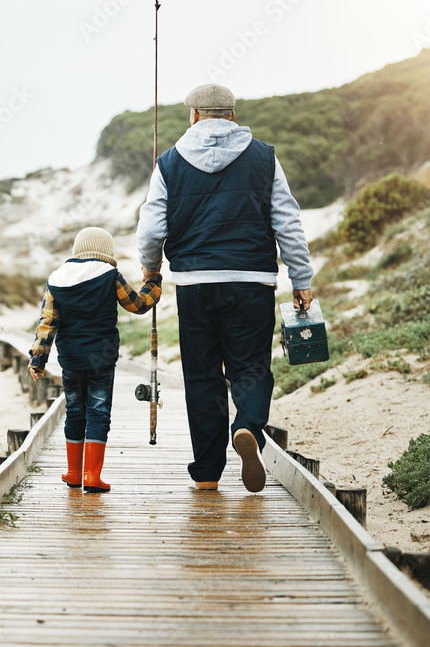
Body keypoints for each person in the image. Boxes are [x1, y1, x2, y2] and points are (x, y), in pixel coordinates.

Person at [136, 83, 314, 493]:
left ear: (194, 116)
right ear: (232, 115)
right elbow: (288, 222)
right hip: (252, 282)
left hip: (195, 286)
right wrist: (300, 279)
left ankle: (207, 474)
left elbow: (151, 230)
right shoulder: (264, 157)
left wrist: (151, 269)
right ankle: (247, 426)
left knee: (202, 377)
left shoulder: (169, 162)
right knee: (250, 367)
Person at [28, 226, 162, 492]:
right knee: (98, 414)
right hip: (101, 360)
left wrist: (37, 359)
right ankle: (92, 476)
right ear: (106, 251)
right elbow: (138, 304)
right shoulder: (109, 275)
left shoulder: (57, 278)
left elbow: (47, 322)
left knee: (75, 413)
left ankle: (74, 473)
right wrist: (154, 282)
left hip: (70, 361)